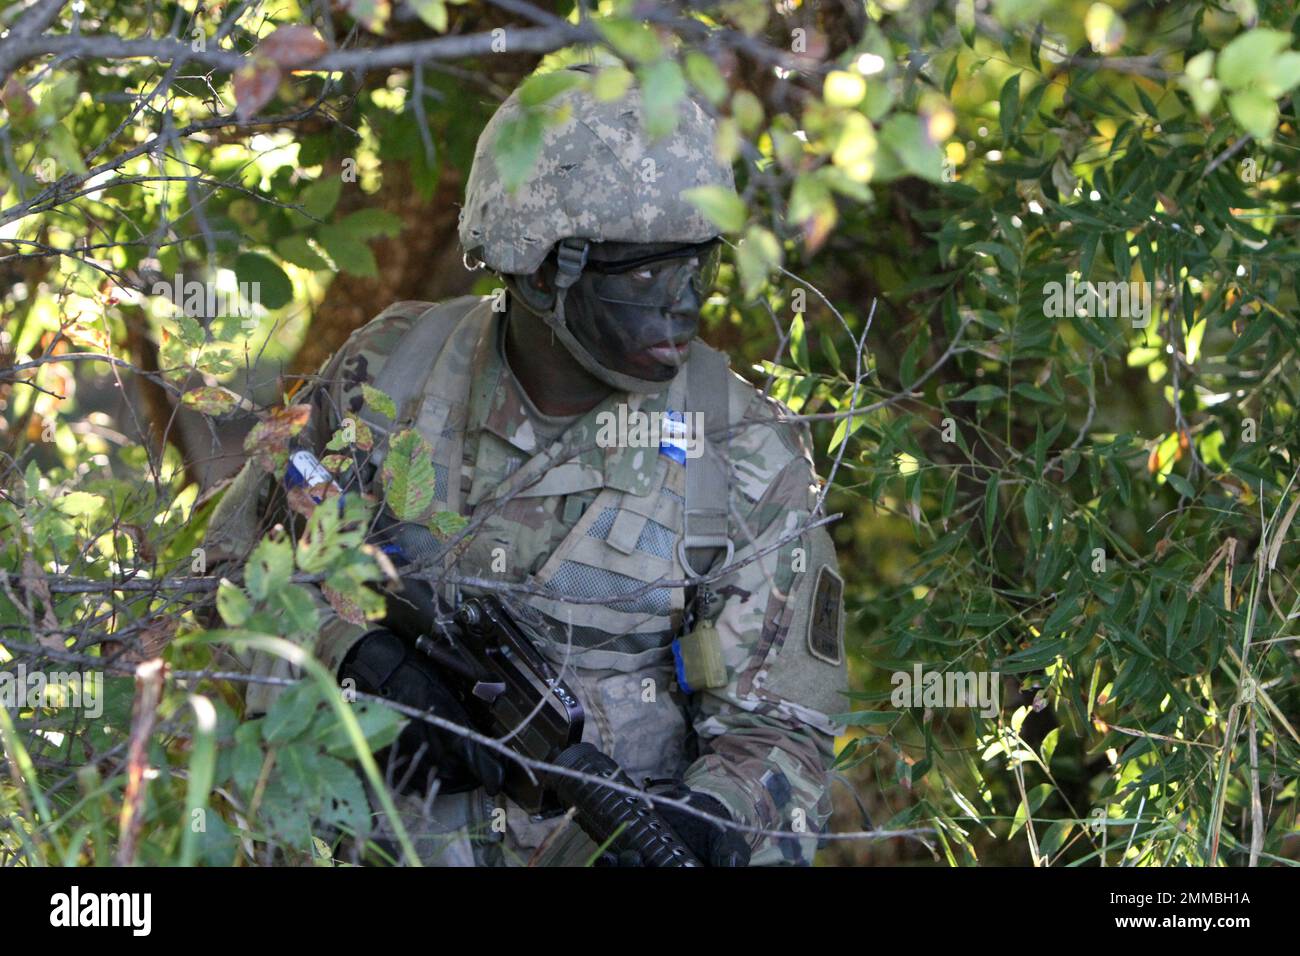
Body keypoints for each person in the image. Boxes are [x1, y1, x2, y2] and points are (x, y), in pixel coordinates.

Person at [205, 67, 848, 866]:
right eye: (648, 273)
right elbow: (231, 573)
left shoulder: (745, 449)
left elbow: (785, 730)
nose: (685, 304)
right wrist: (355, 662)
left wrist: (708, 822)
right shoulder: (393, 370)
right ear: (543, 269)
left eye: (699, 267)